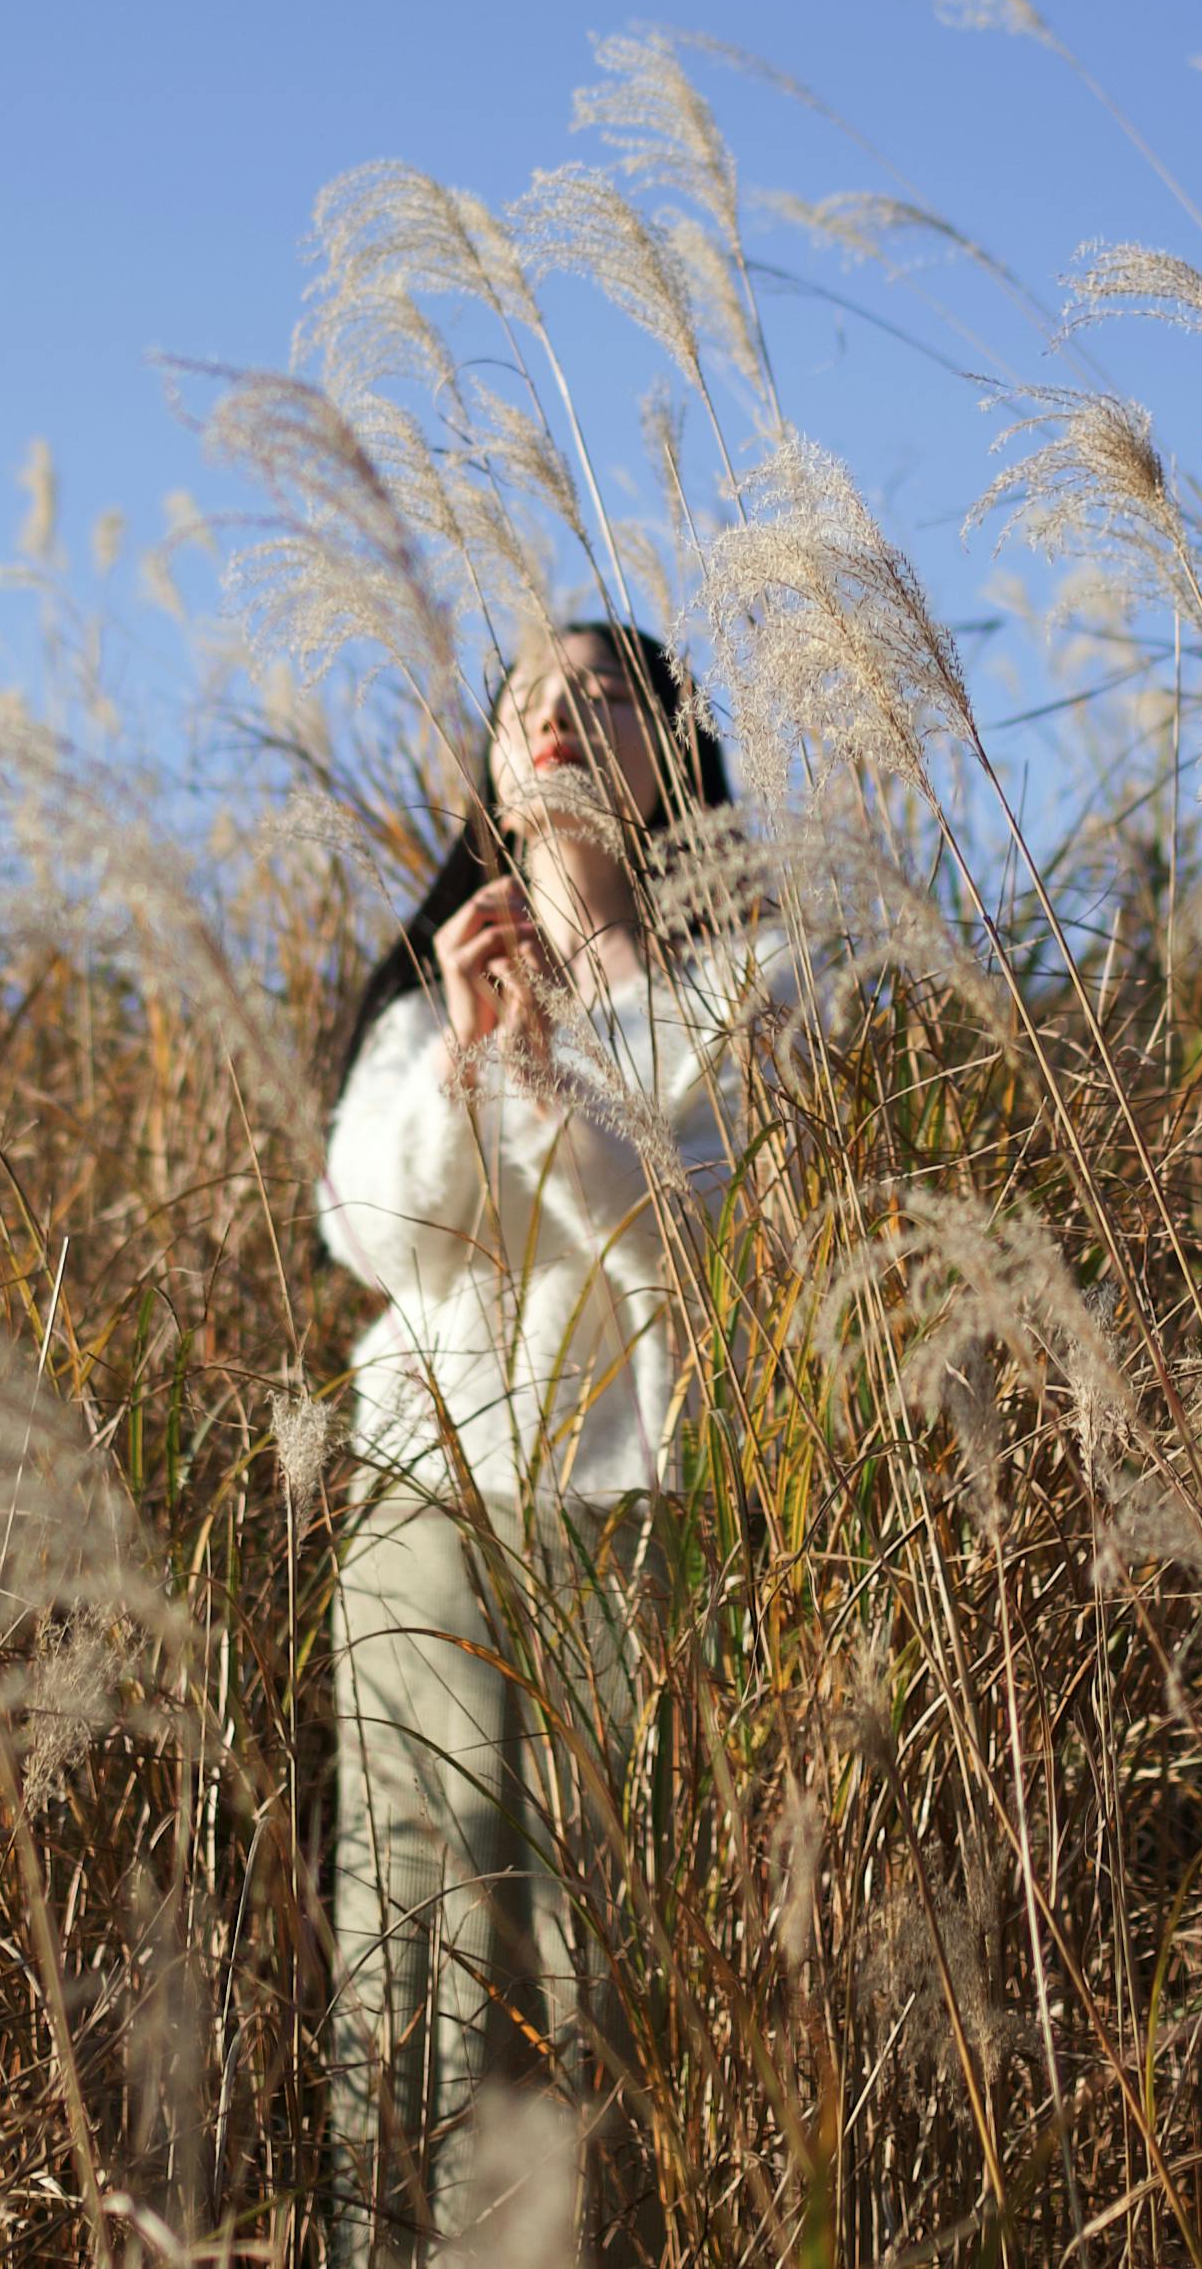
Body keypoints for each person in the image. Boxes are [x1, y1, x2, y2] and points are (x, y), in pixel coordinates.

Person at [316, 621, 780, 2264]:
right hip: (429, 1508)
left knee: (608, 1952)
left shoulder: (751, 978)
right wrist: (470, 1058)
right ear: (494, 772)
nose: (557, 717)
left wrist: (595, 988)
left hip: (637, 1511)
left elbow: (682, 1221)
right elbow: (372, 1228)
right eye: (526, 700)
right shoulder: (432, 980)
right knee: (420, 1938)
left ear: (677, 758)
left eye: (603, 698)